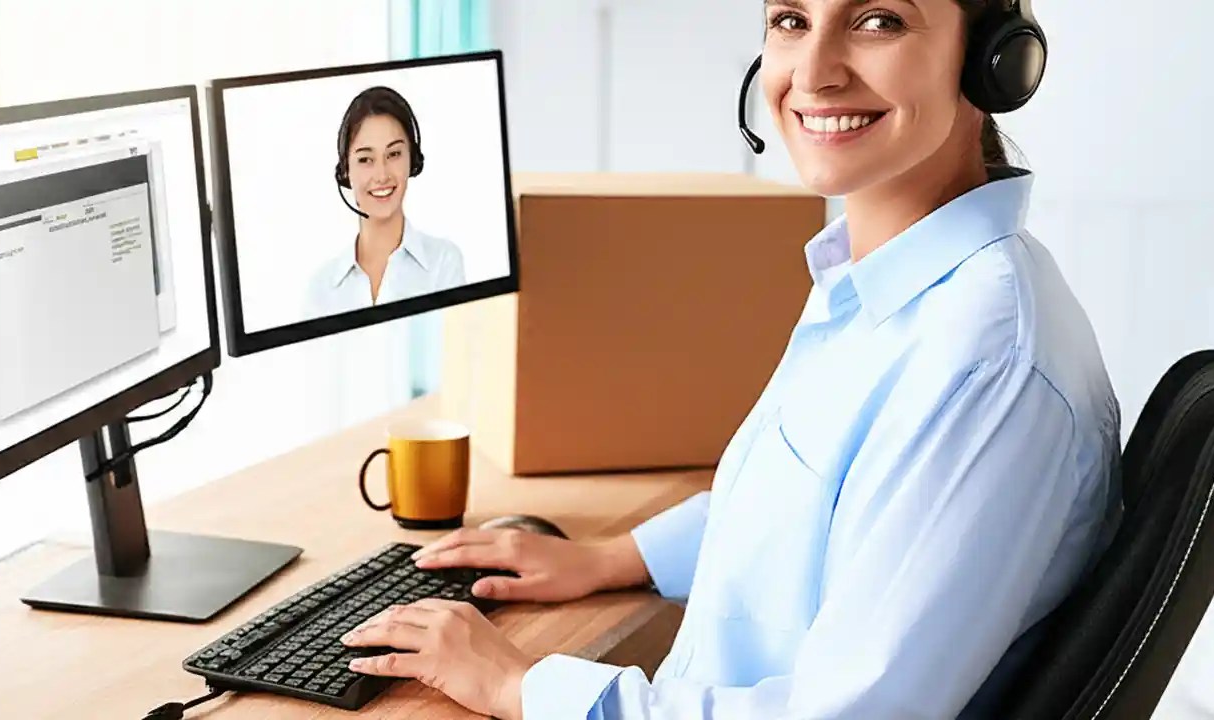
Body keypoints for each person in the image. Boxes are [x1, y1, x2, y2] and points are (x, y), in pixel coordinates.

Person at [338, 1, 1124, 718]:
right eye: (790, 19)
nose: (813, 73)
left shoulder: (981, 357)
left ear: (994, 61)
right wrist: (613, 558)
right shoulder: (883, 283)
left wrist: (522, 686)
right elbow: (807, 494)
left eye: (878, 20)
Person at [305, 86, 465, 318]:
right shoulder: (321, 289)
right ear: (345, 171)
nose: (381, 175)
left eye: (393, 155)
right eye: (365, 159)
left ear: (413, 160)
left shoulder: (444, 263)